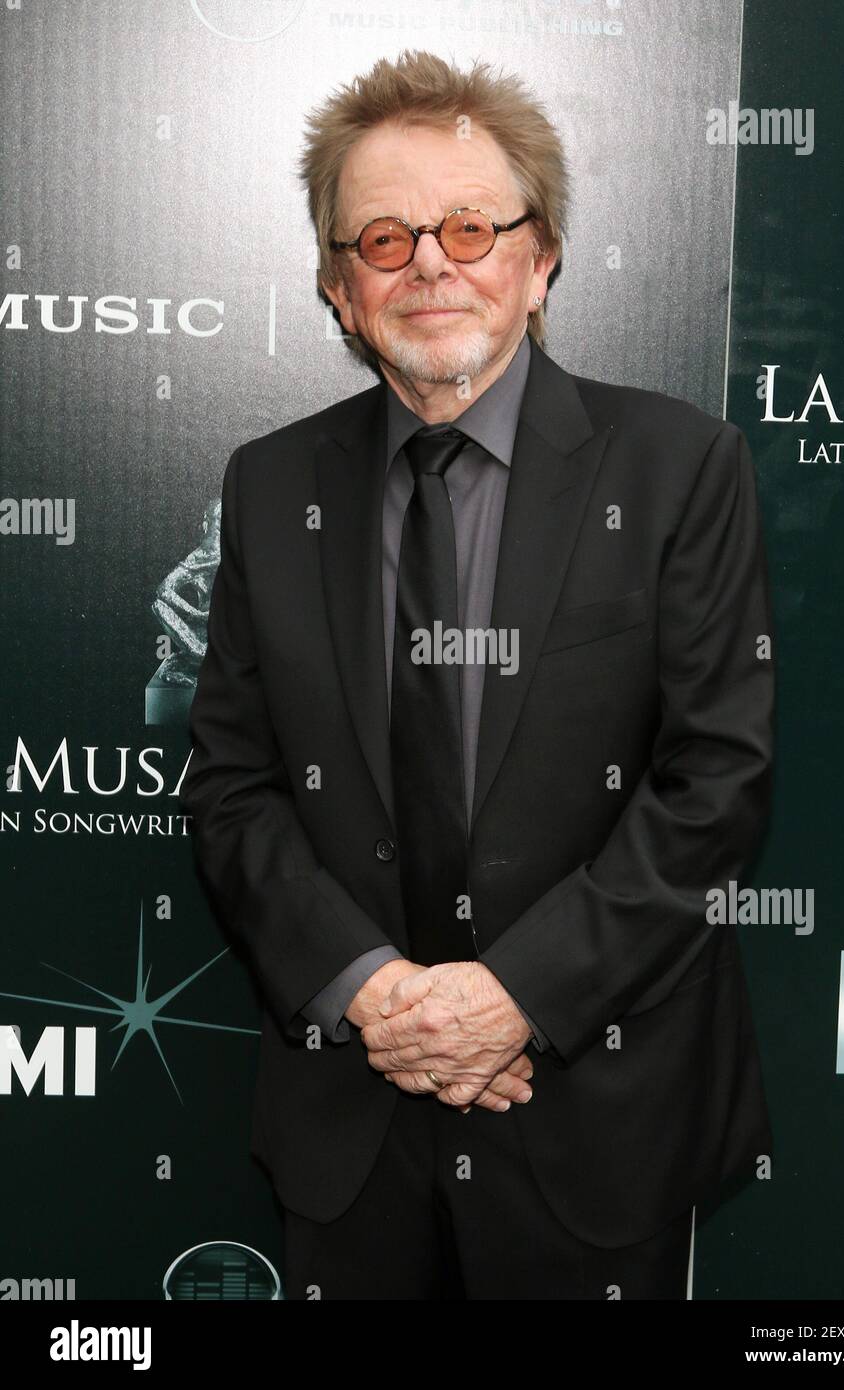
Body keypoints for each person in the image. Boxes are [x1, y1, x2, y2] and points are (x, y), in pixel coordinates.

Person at [181, 48, 775, 1300]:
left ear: (541, 255)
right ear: (341, 289)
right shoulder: (270, 485)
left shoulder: (678, 466)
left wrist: (517, 995)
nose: (432, 263)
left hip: (594, 1107)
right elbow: (234, 787)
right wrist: (380, 997)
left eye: (468, 225)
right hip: (351, 1109)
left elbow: (715, 780)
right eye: (385, 240)